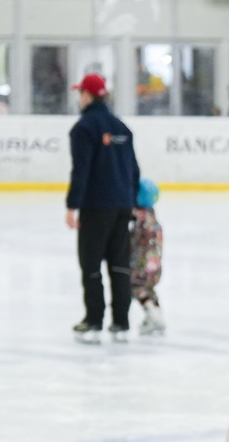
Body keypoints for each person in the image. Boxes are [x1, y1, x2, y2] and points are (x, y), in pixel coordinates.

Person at [64, 73, 140, 343]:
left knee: (91, 264)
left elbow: (81, 170)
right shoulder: (122, 128)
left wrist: (72, 205)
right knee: (120, 265)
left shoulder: (84, 128)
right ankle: (121, 321)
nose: (79, 98)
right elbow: (133, 170)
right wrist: (133, 202)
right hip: (122, 205)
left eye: (80, 93)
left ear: (87, 95)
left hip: (96, 206)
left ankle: (94, 320)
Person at [130, 179, 164, 336]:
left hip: (141, 263)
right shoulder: (152, 215)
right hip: (155, 263)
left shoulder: (137, 216)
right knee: (149, 288)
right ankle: (157, 315)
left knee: (138, 288)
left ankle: (152, 314)